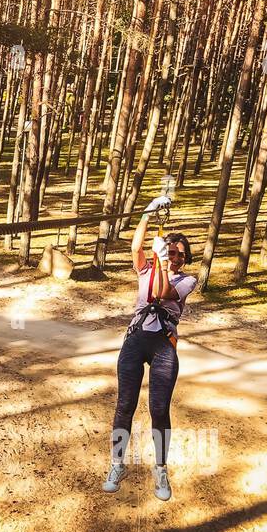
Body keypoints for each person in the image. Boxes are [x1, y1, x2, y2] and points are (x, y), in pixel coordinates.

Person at [102, 195, 196, 501]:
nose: (175, 256)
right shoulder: (146, 268)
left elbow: (163, 291)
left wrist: (165, 264)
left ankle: (160, 469)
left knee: (158, 409)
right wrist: (146, 213)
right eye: (171, 251)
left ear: (186, 258)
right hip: (136, 338)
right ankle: (117, 464)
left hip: (163, 345)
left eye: (180, 254)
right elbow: (134, 248)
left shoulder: (187, 280)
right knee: (124, 405)